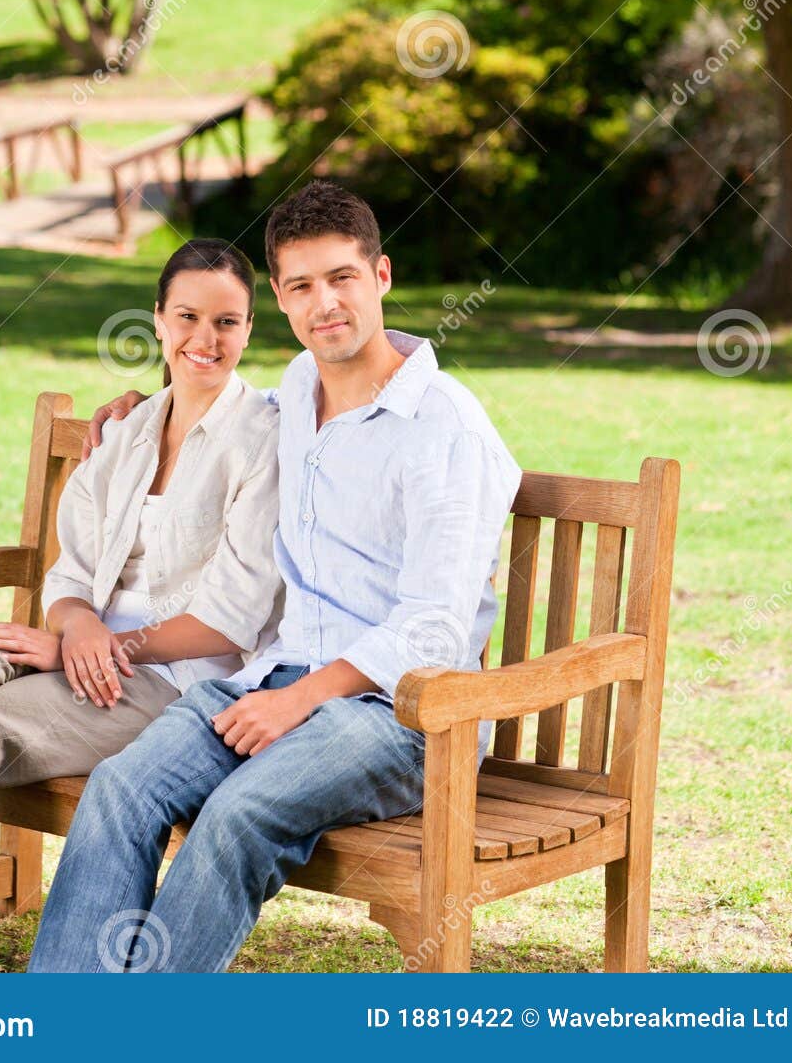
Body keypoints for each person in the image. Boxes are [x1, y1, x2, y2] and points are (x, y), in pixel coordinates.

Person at [28, 180, 521, 975]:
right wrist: (137, 408)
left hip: (406, 717)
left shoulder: (445, 429)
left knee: (237, 813)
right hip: (270, 679)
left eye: (341, 278)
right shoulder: (295, 390)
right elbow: (208, 390)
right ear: (283, 305)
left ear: (381, 277)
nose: (324, 303)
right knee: (121, 787)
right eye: (300, 286)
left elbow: (431, 626)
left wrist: (298, 700)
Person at [0, 239, 281, 973]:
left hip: (167, 687)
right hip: (77, 656)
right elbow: (69, 577)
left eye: (227, 322)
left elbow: (233, 618)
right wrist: (77, 626)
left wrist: (97, 649)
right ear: (158, 320)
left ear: (250, 330)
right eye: (188, 316)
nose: (206, 338)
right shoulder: (125, 432)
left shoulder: (263, 441)